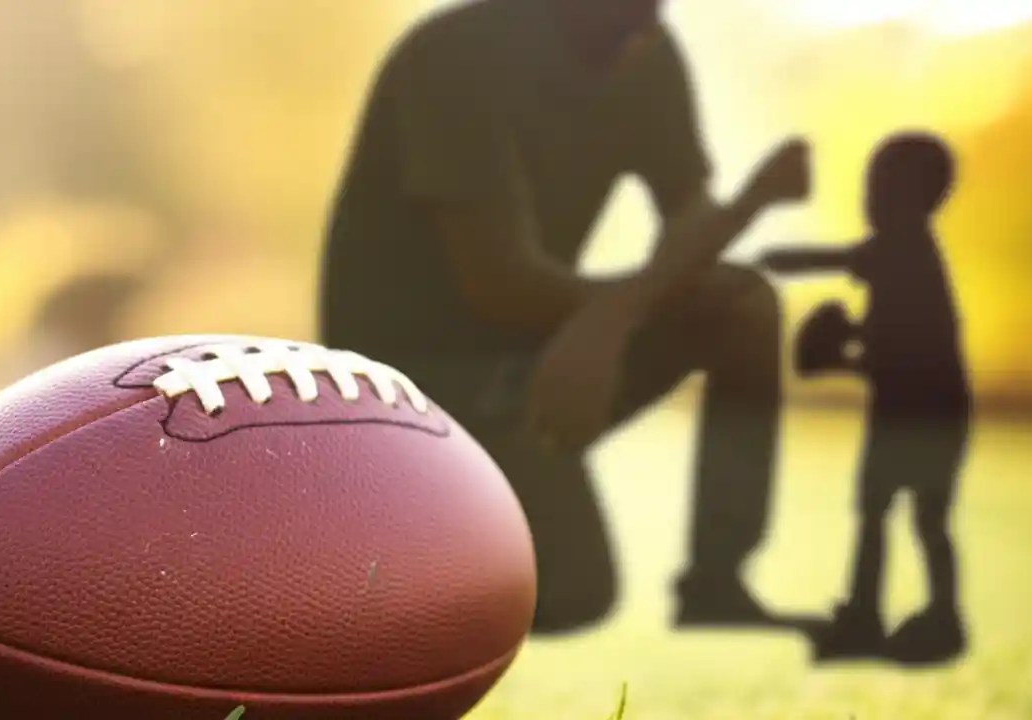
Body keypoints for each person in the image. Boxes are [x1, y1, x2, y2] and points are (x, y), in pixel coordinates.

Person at [320, 0, 807, 632]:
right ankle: (380, 579)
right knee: (572, 592)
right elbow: (500, 285)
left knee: (741, 306)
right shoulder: (454, 56)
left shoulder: (646, 49)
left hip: (537, 354)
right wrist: (612, 319)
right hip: (419, 388)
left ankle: (717, 578)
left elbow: (687, 215)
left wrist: (609, 320)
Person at [760, 132, 971, 663]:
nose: (870, 200)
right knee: (889, 511)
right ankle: (883, 613)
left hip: (926, 413)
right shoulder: (902, 252)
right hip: (915, 409)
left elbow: (898, 350)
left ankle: (915, 616)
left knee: (914, 515)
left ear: (916, 198)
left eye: (881, 190)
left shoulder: (903, 252)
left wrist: (840, 355)